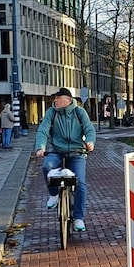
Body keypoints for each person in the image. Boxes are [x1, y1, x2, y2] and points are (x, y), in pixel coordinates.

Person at [35, 88, 96, 232]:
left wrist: (90, 142)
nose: (55, 100)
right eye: (54, 98)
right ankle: (54, 194)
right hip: (56, 151)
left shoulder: (79, 112)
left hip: (77, 152)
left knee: (80, 181)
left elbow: (89, 130)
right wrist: (40, 147)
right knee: (46, 166)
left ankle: (78, 218)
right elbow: (43, 130)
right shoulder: (51, 113)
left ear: (68, 100)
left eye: (58, 97)